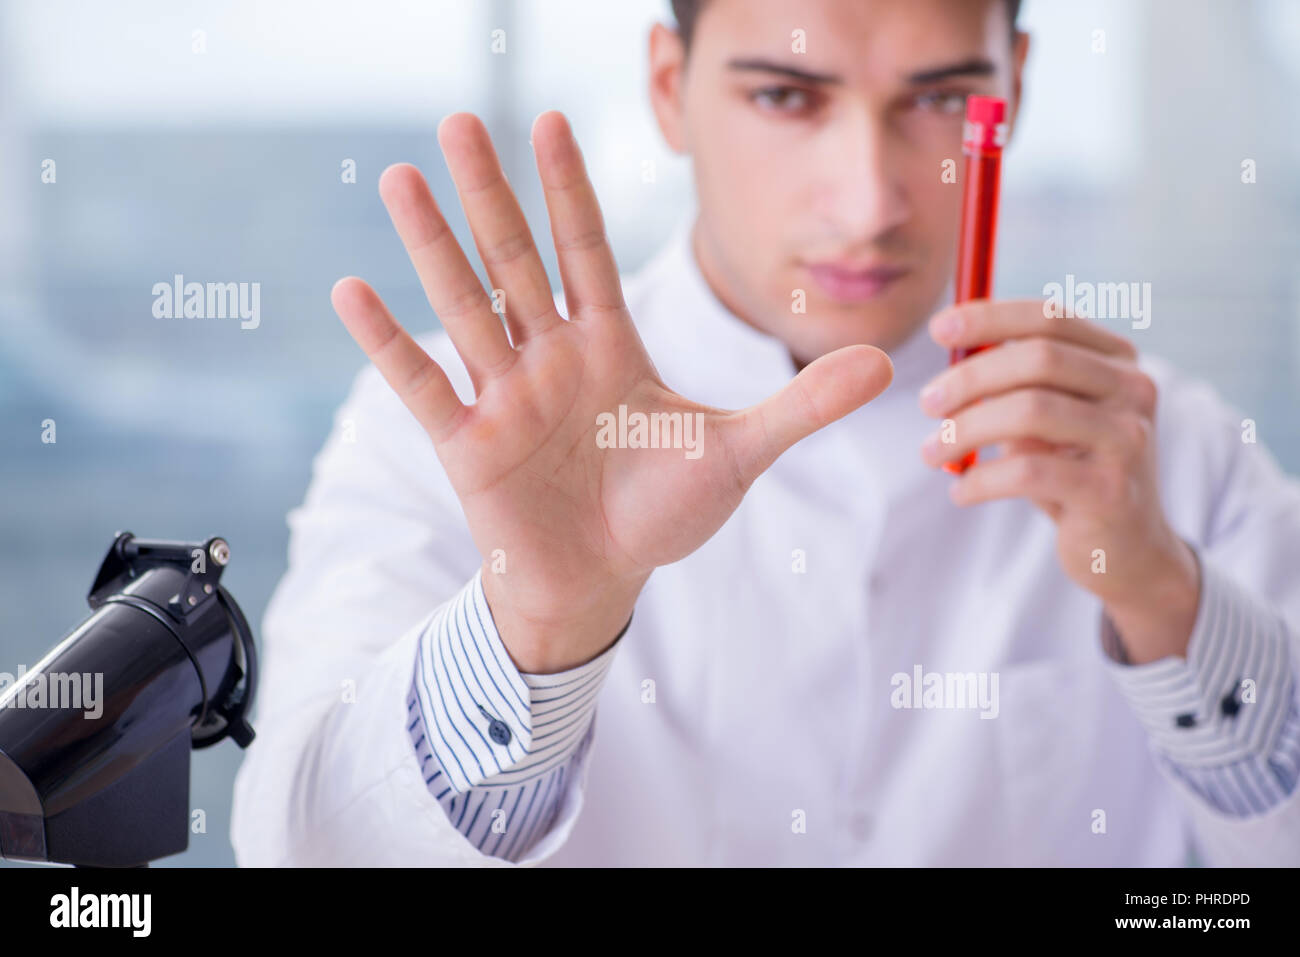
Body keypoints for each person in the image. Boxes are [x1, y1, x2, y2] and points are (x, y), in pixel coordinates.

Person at [230, 0, 1300, 866]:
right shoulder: (455, 437)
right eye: (787, 96)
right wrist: (535, 629)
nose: (869, 199)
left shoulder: (1164, 451)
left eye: (936, 100)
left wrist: (1163, 597)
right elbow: (308, 849)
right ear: (667, 90)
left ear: (1008, 90)